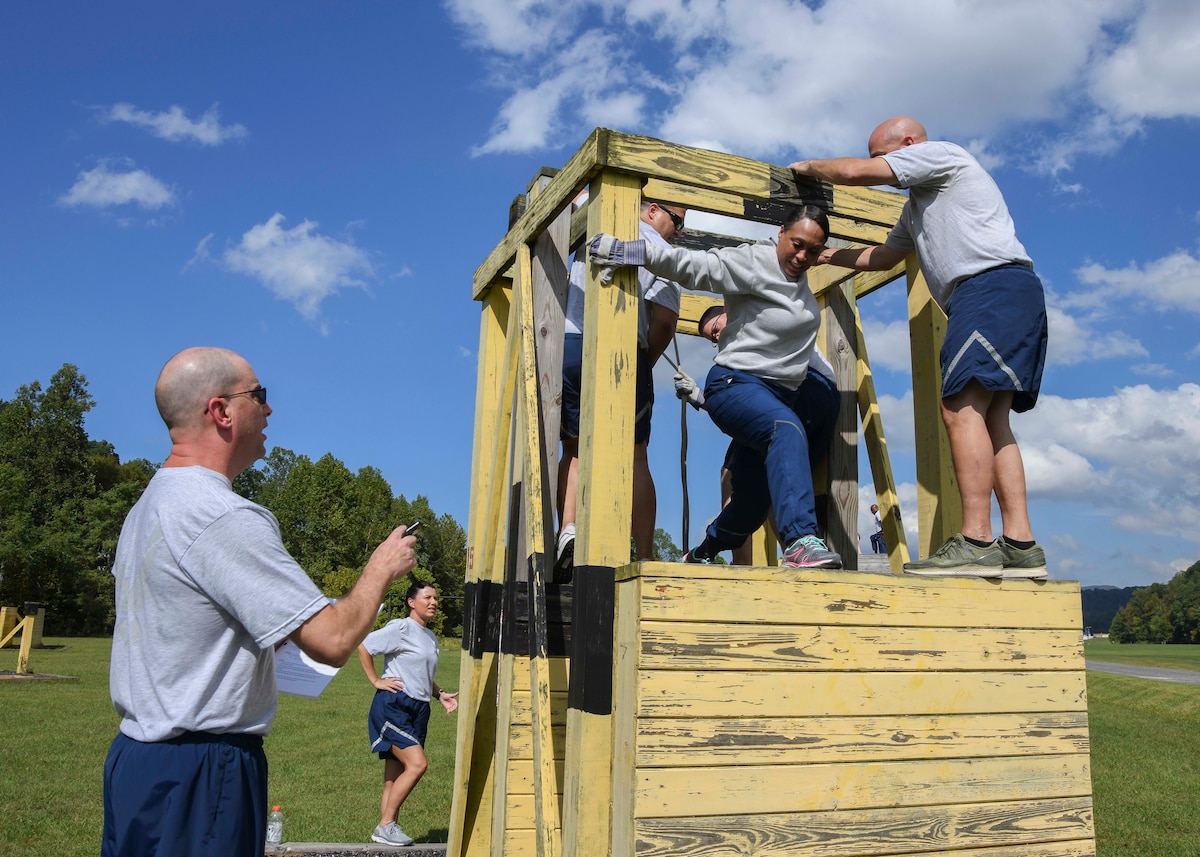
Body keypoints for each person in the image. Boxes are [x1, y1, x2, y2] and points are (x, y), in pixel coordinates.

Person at [103, 346, 419, 857]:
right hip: (202, 771)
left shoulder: (149, 505)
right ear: (220, 411)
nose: (269, 409)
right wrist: (379, 570)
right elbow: (333, 640)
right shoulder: (221, 514)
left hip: (138, 762)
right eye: (259, 395)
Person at [791, 116, 1048, 579]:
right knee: (992, 418)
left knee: (958, 409)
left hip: (986, 289)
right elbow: (883, 257)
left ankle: (975, 541)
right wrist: (830, 256)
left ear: (908, 144)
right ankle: (1021, 544)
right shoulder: (918, 208)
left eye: (884, 156)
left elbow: (851, 174)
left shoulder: (943, 155)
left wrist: (807, 167)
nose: (882, 167)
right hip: (1006, 292)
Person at [590, 205, 841, 569]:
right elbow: (697, 267)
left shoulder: (801, 276)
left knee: (753, 502)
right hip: (735, 383)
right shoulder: (756, 260)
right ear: (781, 231)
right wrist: (632, 252)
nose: (802, 256)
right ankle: (801, 541)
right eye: (797, 244)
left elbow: (856, 258)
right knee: (786, 430)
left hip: (779, 398)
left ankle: (701, 552)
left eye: (813, 251)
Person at [555, 199, 687, 580]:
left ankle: (569, 529)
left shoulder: (591, 219)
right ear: (651, 210)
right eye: (676, 221)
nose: (678, 232)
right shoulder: (664, 254)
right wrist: (645, 359)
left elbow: (573, 194)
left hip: (574, 342)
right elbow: (663, 321)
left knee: (575, 446)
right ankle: (643, 556)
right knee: (636, 456)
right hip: (628, 346)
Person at [677, 306, 838, 566]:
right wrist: (700, 397)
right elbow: (746, 402)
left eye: (716, 329)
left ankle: (707, 550)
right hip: (782, 404)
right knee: (750, 497)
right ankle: (707, 551)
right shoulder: (738, 359)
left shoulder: (756, 317)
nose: (716, 338)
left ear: (732, 308)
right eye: (711, 338)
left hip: (808, 394)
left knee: (754, 496)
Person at [357, 581, 458, 846]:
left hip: (419, 709)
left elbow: (421, 674)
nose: (434, 602)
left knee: (394, 775)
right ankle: (385, 825)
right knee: (417, 764)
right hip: (394, 706)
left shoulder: (431, 637)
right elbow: (365, 645)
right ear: (412, 602)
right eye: (428, 597)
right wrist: (376, 680)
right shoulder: (401, 628)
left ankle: (387, 833)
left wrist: (439, 694)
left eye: (436, 598)